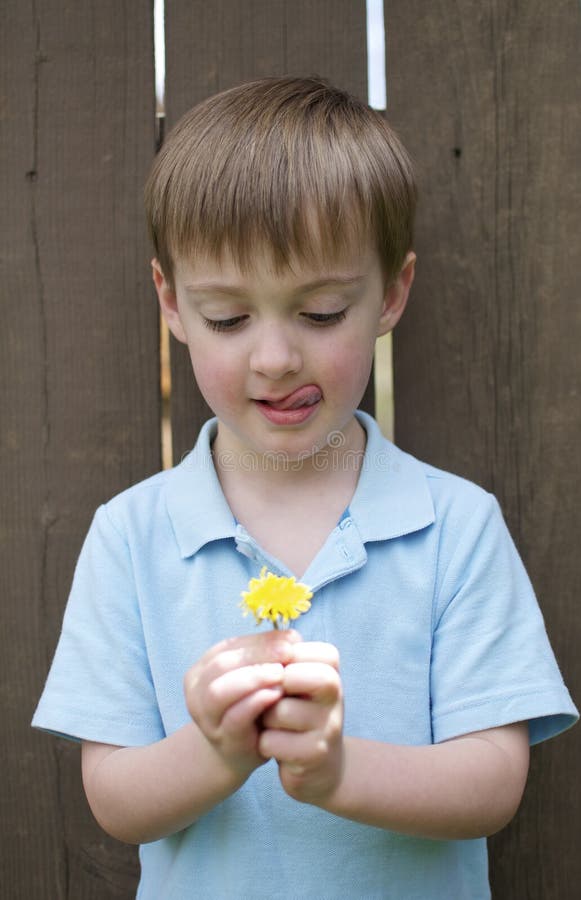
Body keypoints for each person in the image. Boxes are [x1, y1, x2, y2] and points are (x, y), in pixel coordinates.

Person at [33, 76, 577, 900]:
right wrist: (215, 752)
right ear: (171, 301)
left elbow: (491, 786)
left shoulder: (454, 526)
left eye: (320, 312)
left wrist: (335, 771)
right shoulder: (131, 535)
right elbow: (115, 799)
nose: (276, 358)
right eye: (227, 318)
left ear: (390, 294)